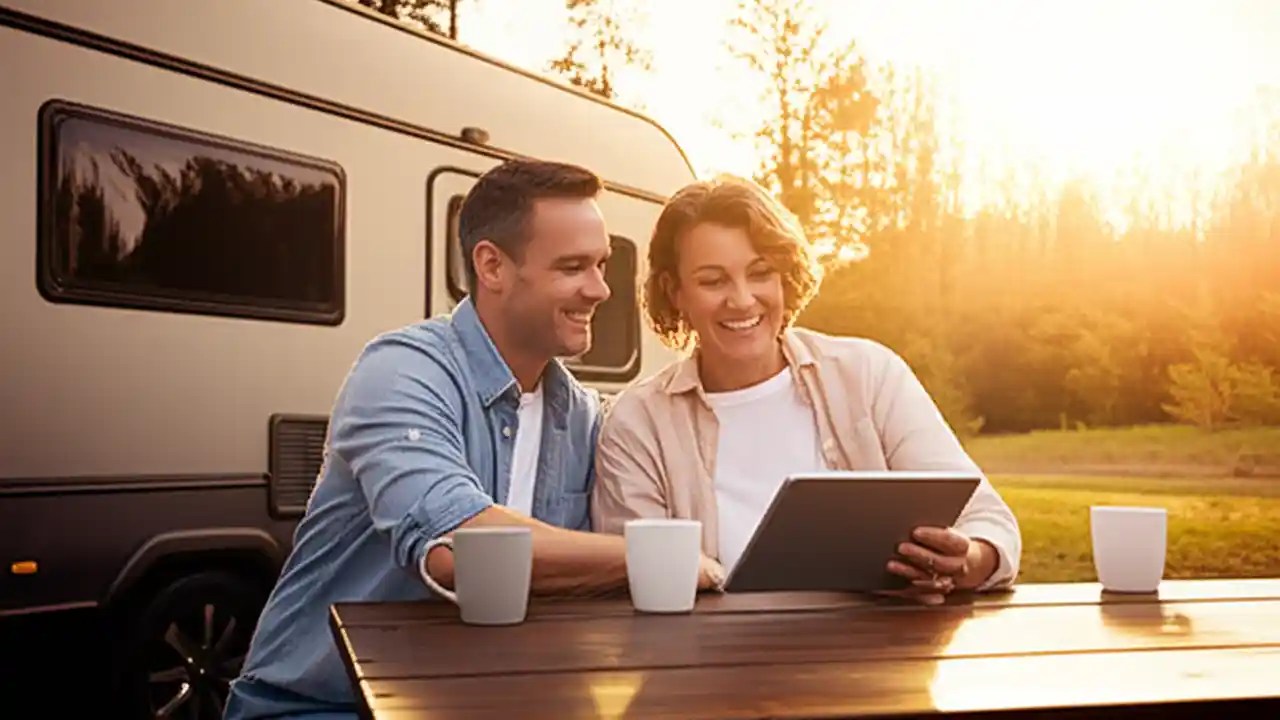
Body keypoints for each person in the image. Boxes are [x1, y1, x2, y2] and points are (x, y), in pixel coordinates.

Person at [225, 159, 723, 719]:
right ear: (492, 266)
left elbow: (586, 576)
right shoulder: (402, 372)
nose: (600, 289)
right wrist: (662, 557)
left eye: (603, 265)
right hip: (322, 706)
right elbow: (456, 549)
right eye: (573, 267)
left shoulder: (583, 416)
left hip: (479, 702)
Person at [591, 175, 1022, 605]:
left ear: (785, 277)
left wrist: (965, 561)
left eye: (760, 274)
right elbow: (633, 578)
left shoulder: (868, 375)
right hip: (709, 663)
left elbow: (989, 521)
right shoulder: (639, 421)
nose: (742, 300)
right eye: (712, 281)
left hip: (877, 660)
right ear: (675, 292)